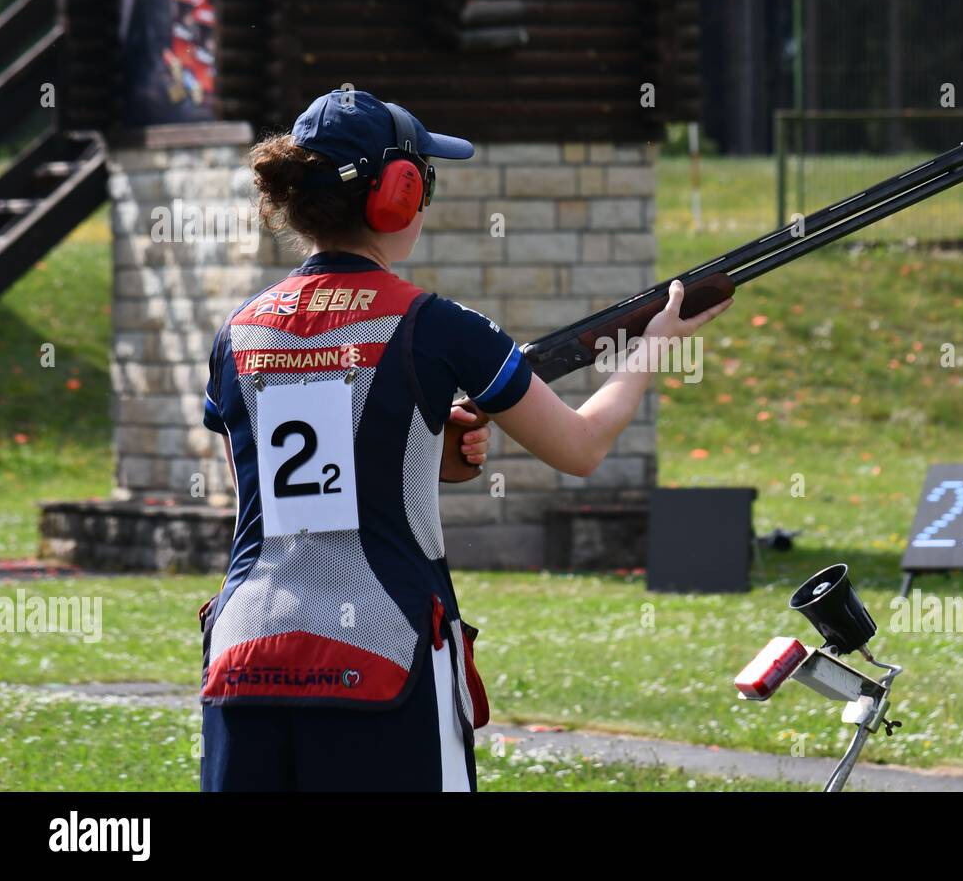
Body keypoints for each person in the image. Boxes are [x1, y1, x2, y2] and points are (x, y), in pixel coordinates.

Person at [198, 89, 731, 791]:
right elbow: (581, 446)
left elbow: (277, 499)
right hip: (384, 656)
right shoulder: (434, 325)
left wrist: (415, 444)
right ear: (399, 192)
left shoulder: (239, 330)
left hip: (247, 662)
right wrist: (651, 348)